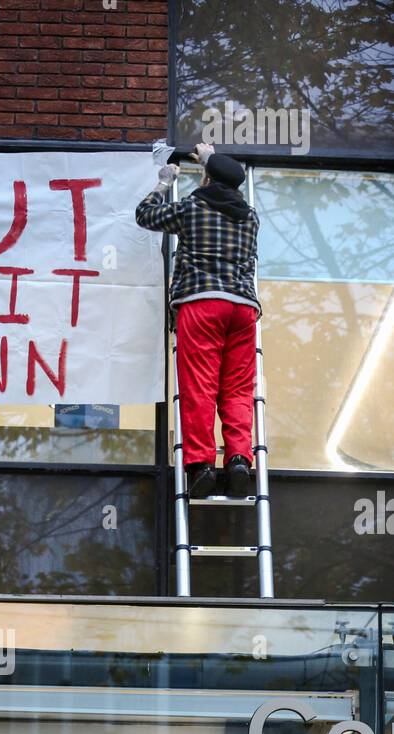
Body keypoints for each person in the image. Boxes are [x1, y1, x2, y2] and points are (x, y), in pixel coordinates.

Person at [136, 143, 261, 500]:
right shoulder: (250, 217)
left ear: (206, 179)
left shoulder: (193, 208)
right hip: (242, 309)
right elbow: (225, 179)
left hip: (202, 304)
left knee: (200, 388)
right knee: (237, 389)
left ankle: (201, 466)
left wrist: (163, 182)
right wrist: (210, 159)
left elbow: (145, 215)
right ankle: (238, 459)